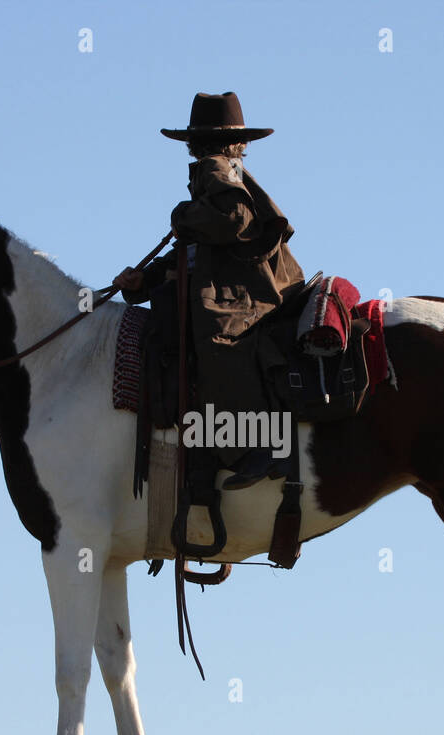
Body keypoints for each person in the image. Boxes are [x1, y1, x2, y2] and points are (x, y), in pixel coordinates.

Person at [115, 92, 305, 490]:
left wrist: (181, 215)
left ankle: (259, 446)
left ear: (194, 140)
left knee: (217, 340)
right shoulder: (227, 170)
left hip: (249, 290)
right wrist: (146, 281)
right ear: (241, 141)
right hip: (252, 281)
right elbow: (202, 248)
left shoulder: (213, 167)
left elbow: (235, 219)